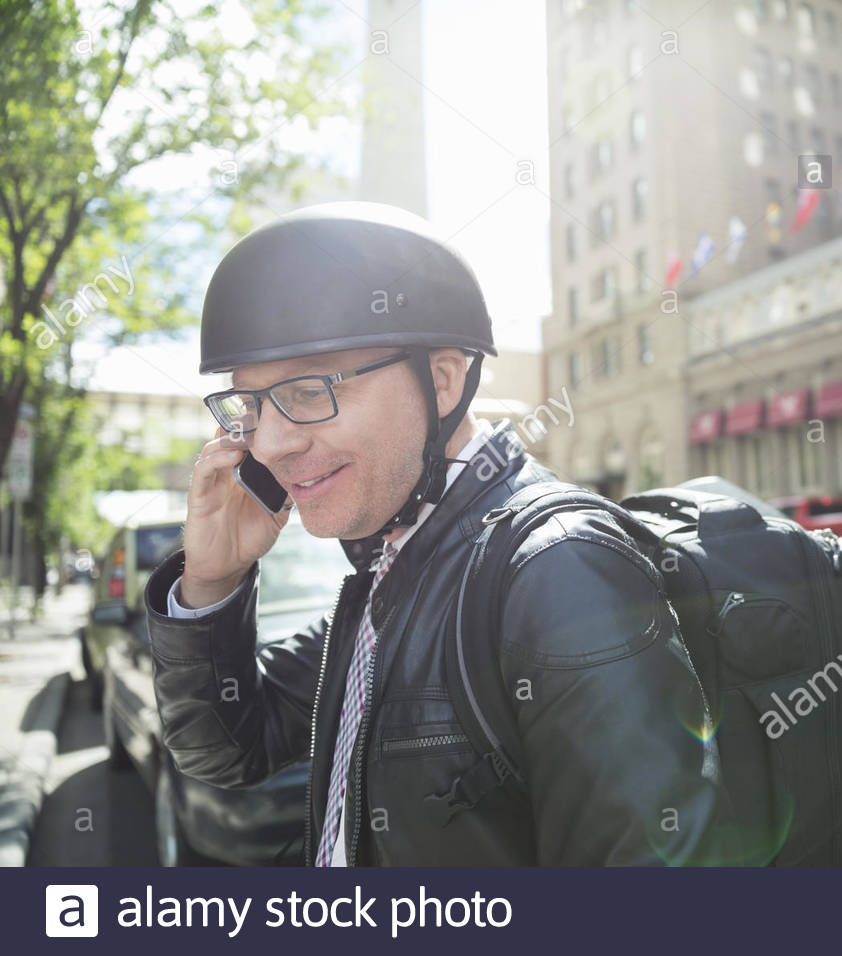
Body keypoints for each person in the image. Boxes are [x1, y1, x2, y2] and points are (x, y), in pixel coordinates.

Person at [144, 202, 722, 865]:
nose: (269, 443)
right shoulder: (396, 566)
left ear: (442, 382)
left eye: (307, 391)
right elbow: (225, 750)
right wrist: (211, 580)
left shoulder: (555, 569)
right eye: (250, 404)